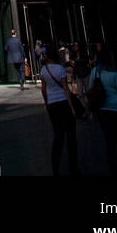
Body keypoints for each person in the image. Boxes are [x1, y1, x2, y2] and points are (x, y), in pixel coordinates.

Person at [88, 50, 117, 176]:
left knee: (109, 141)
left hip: (103, 110)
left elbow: (90, 91)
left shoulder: (94, 72)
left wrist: (91, 110)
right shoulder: (115, 74)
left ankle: (113, 168)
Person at [39, 46, 78, 177]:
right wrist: (72, 107)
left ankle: (55, 168)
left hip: (52, 104)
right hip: (63, 103)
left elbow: (43, 90)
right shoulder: (60, 69)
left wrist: (46, 103)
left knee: (58, 136)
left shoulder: (44, 70)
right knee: (71, 136)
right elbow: (66, 89)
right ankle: (74, 167)